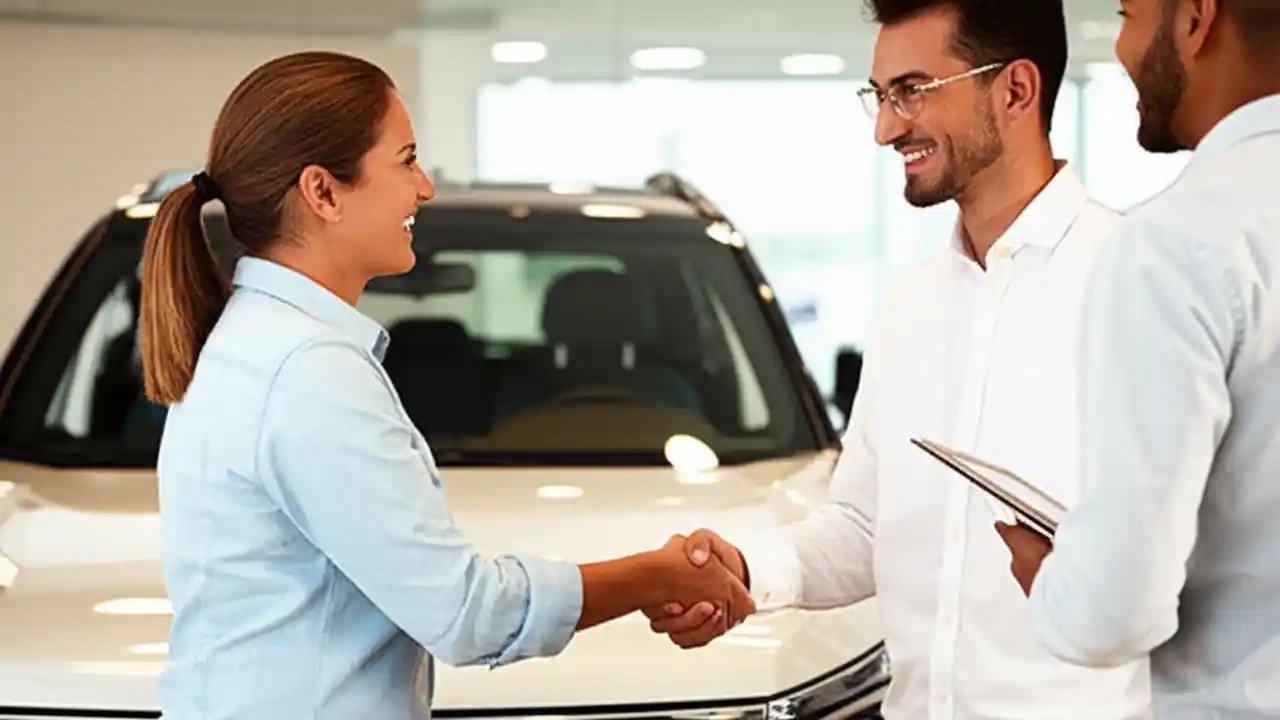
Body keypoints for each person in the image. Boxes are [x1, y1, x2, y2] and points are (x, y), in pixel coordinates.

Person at [139, 51, 752, 719]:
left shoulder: (251, 342)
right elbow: (466, 614)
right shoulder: (307, 371)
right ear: (322, 192)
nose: (424, 187)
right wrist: (654, 574)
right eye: (405, 159)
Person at [644, 0, 1157, 717]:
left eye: (912, 91)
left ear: (1015, 90)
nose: (887, 129)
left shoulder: (1144, 288)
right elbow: (862, 526)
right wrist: (745, 571)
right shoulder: (912, 305)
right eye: (880, 97)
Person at [994, 0, 1280, 715]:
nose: (1121, 48)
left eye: (1126, 13)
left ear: (1196, 18)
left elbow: (1111, 614)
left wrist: (1059, 581)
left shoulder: (1177, 244)